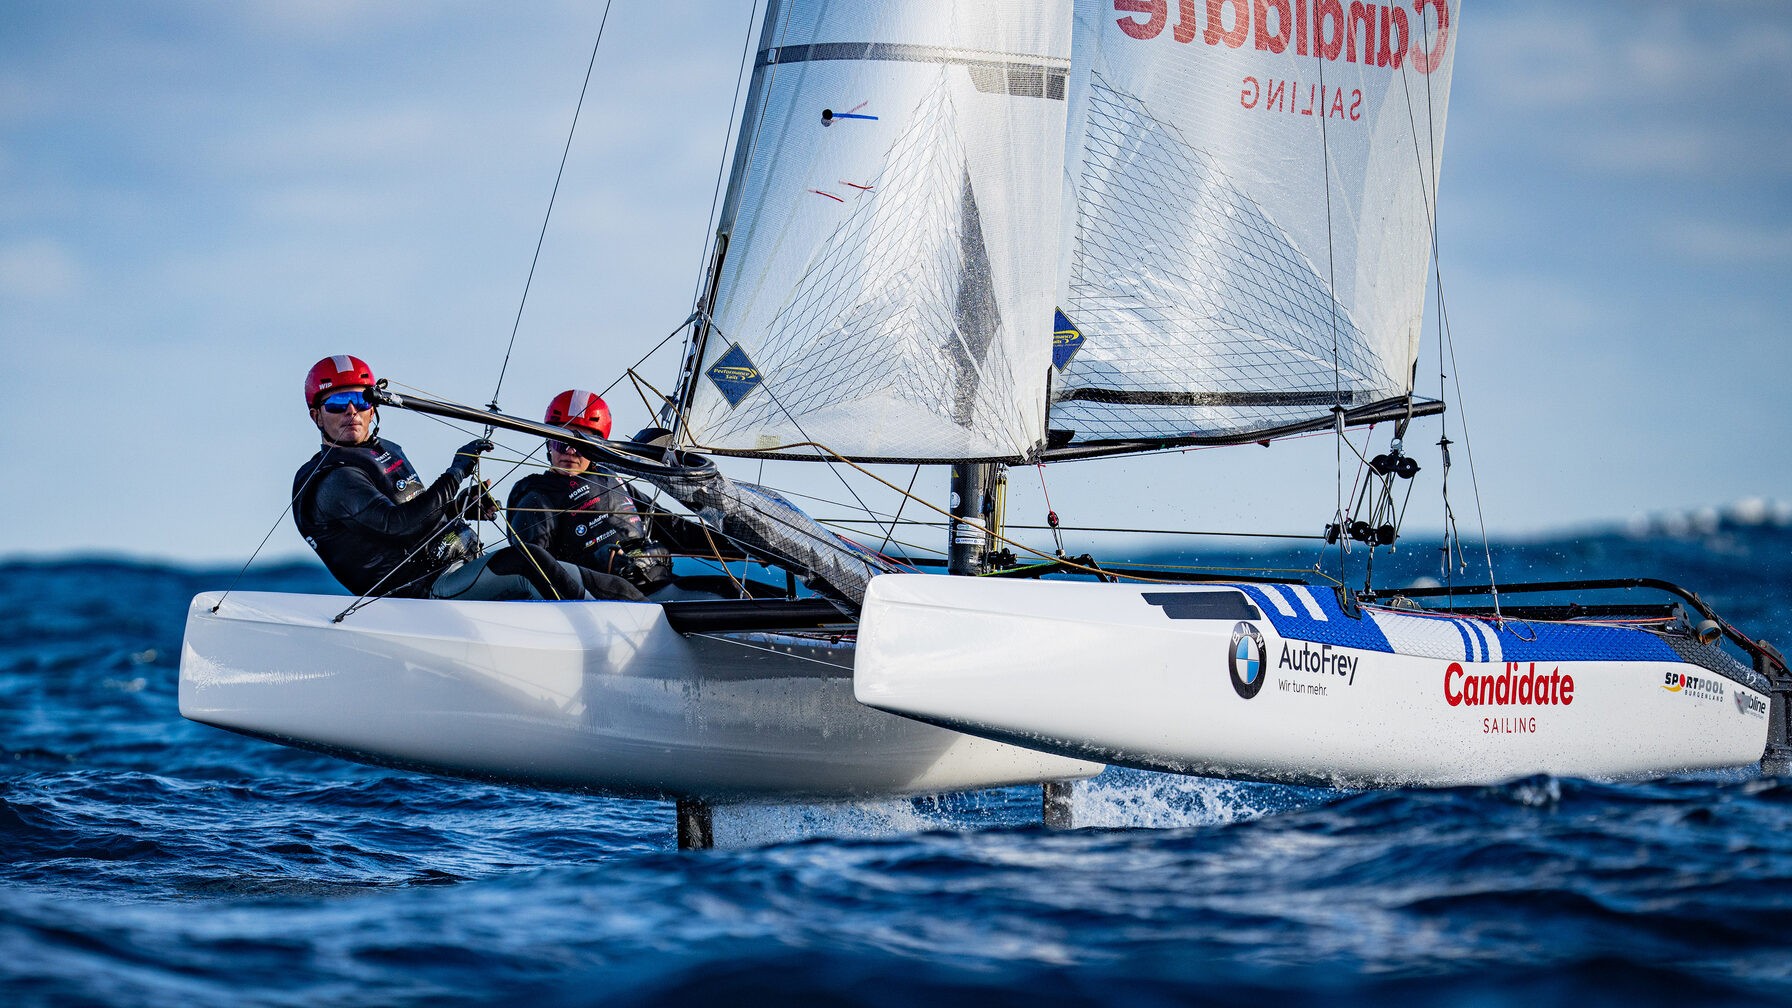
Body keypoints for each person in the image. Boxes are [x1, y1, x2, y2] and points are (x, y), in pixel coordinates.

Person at [292, 355, 637, 602]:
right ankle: (599, 641)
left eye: (360, 399)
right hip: (423, 592)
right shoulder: (335, 480)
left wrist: (460, 507)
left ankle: (653, 620)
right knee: (525, 561)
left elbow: (417, 517)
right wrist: (456, 472)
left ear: (373, 407)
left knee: (607, 585)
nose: (351, 411)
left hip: (456, 567)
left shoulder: (384, 451)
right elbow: (395, 524)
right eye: (337, 403)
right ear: (316, 416)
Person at [506, 389, 683, 594]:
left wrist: (718, 534)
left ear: (596, 447)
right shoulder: (536, 496)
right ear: (549, 444)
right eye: (561, 442)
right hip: (607, 601)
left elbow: (673, 527)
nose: (570, 452)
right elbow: (531, 573)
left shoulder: (610, 478)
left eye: (581, 445)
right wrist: (596, 564)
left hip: (661, 586)